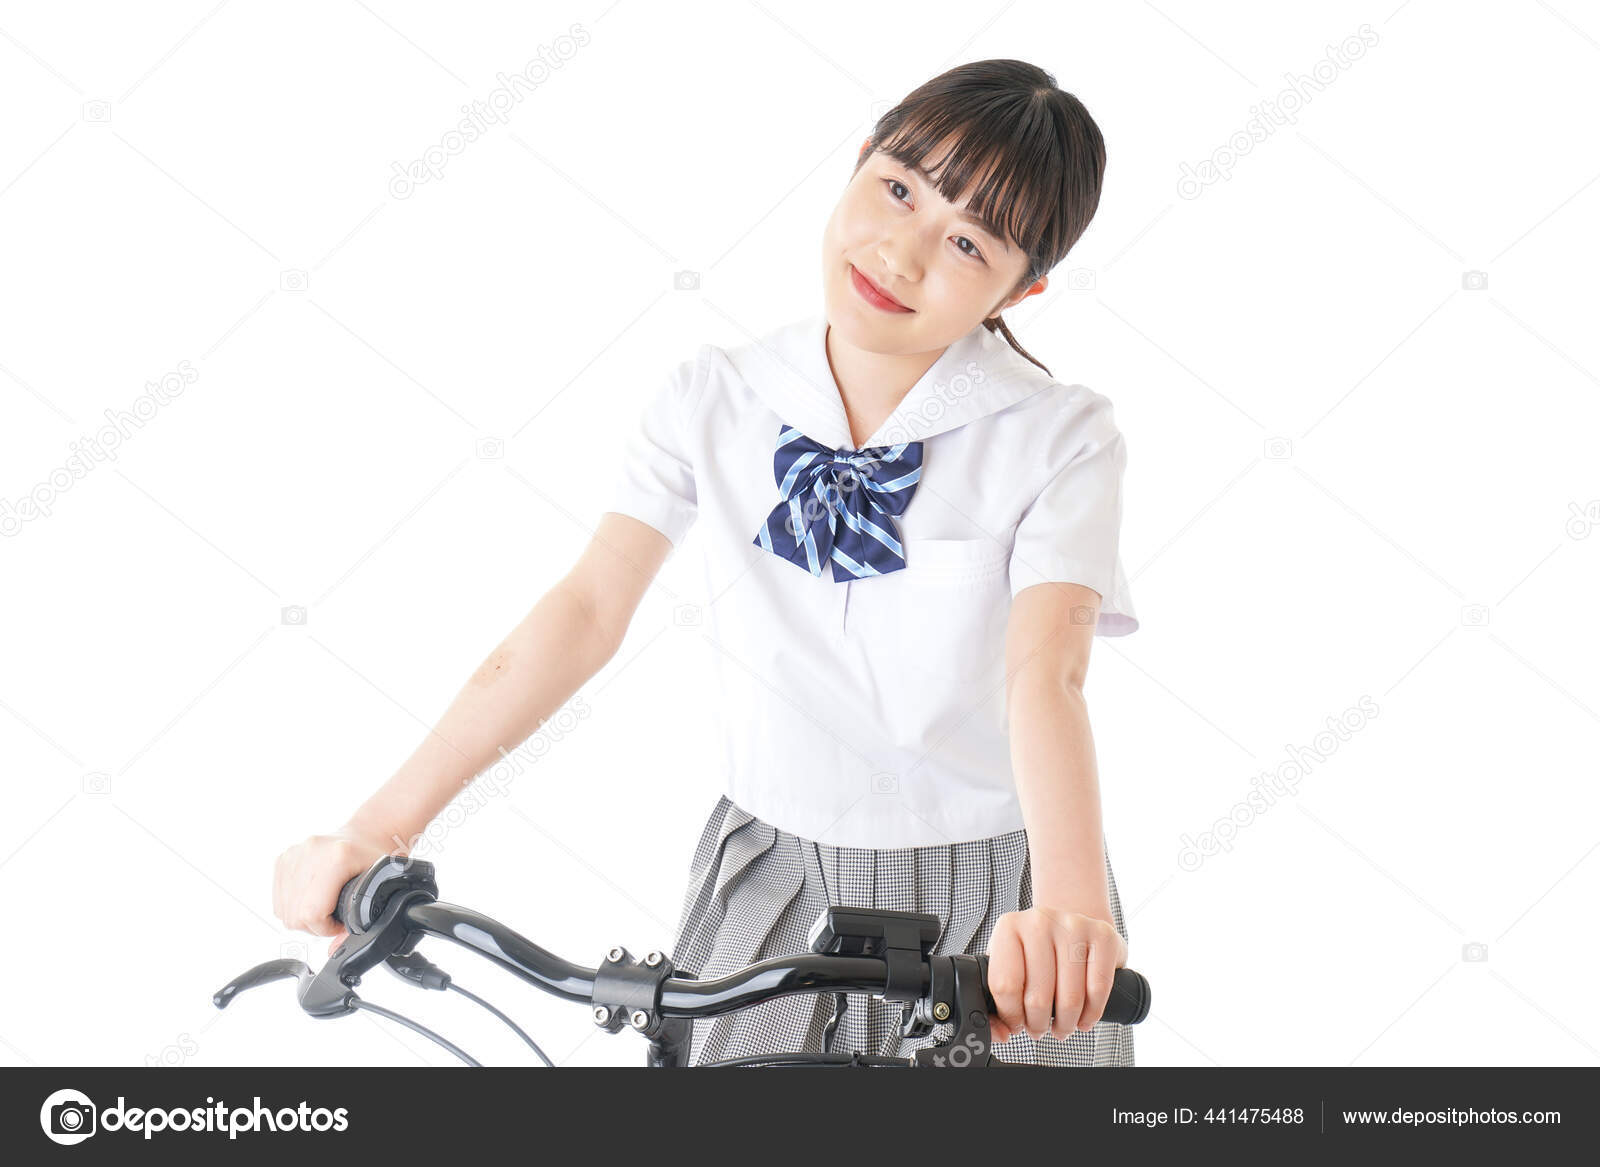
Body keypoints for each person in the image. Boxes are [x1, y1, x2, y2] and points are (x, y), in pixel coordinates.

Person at [274, 57, 1140, 1067]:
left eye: (966, 242)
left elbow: (1046, 672)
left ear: (1023, 286)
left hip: (996, 894)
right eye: (898, 188)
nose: (898, 253)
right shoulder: (715, 397)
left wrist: (1070, 909)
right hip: (768, 879)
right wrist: (381, 827)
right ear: (859, 159)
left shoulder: (1057, 436)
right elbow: (586, 610)